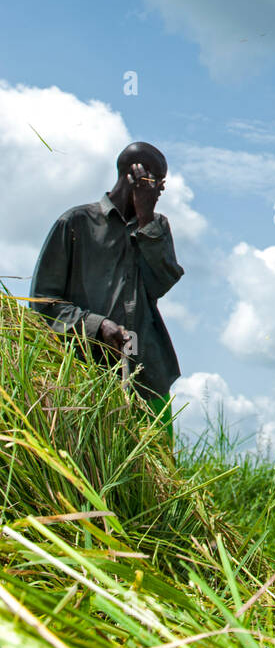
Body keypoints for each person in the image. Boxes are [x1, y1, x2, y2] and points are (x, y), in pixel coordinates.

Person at [31, 142, 183, 443]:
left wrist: (145, 221)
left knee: (157, 473)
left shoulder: (157, 227)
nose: (161, 189)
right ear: (134, 176)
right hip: (81, 378)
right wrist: (97, 326)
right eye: (157, 181)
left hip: (146, 375)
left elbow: (160, 284)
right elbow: (42, 303)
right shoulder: (76, 223)